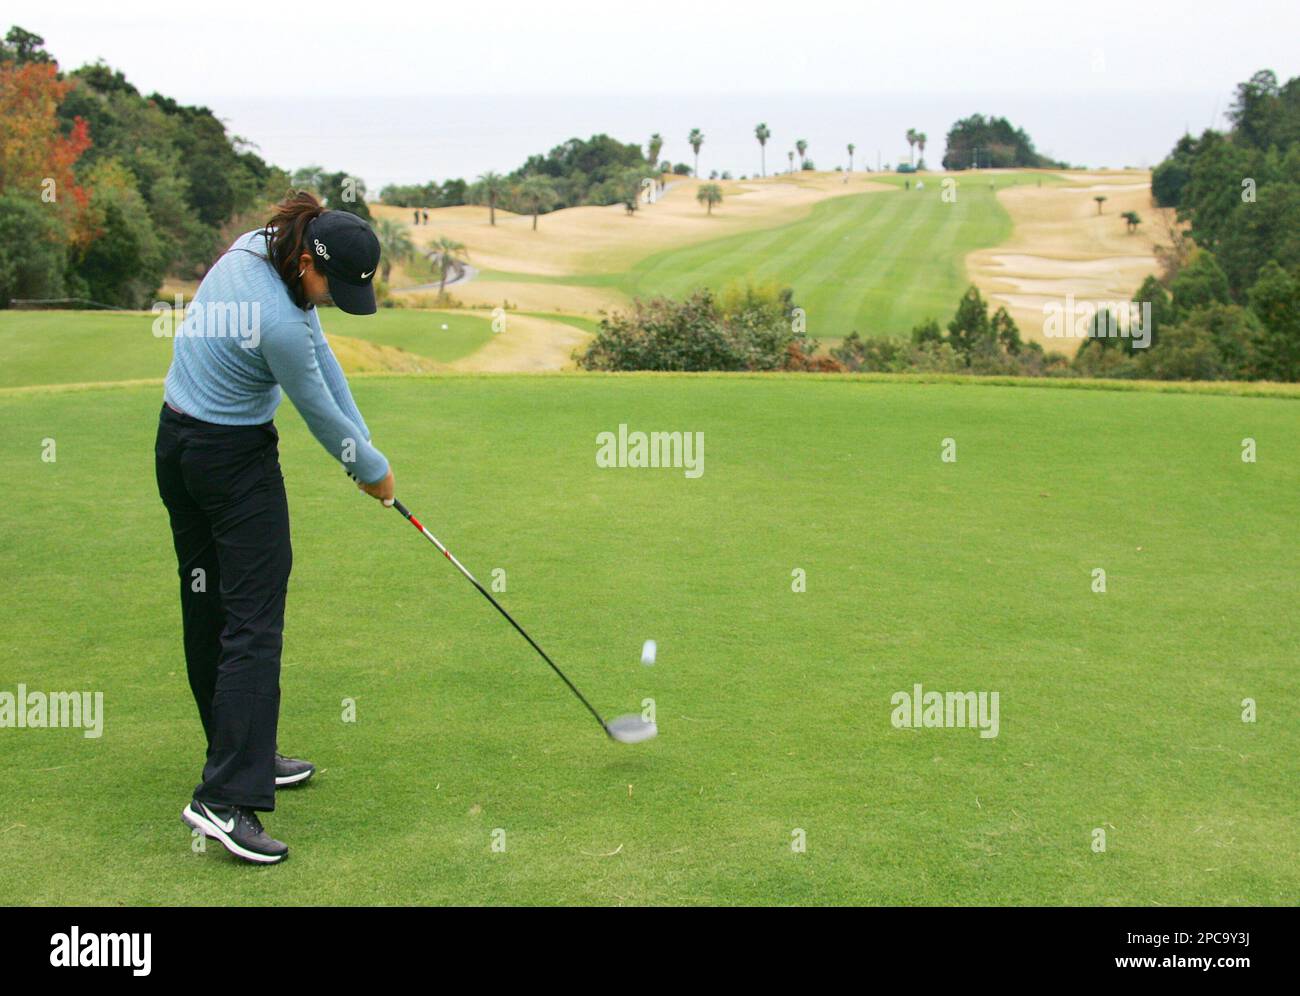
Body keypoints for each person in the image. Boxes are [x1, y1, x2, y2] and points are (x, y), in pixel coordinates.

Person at [156, 190, 394, 864]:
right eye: (334, 286)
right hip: (231, 464)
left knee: (209, 607)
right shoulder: (278, 322)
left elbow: (326, 359)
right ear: (310, 262)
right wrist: (370, 469)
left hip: (177, 448)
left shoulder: (262, 247)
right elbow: (315, 403)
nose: (330, 300)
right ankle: (224, 800)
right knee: (254, 622)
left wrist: (364, 442)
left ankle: (239, 753)